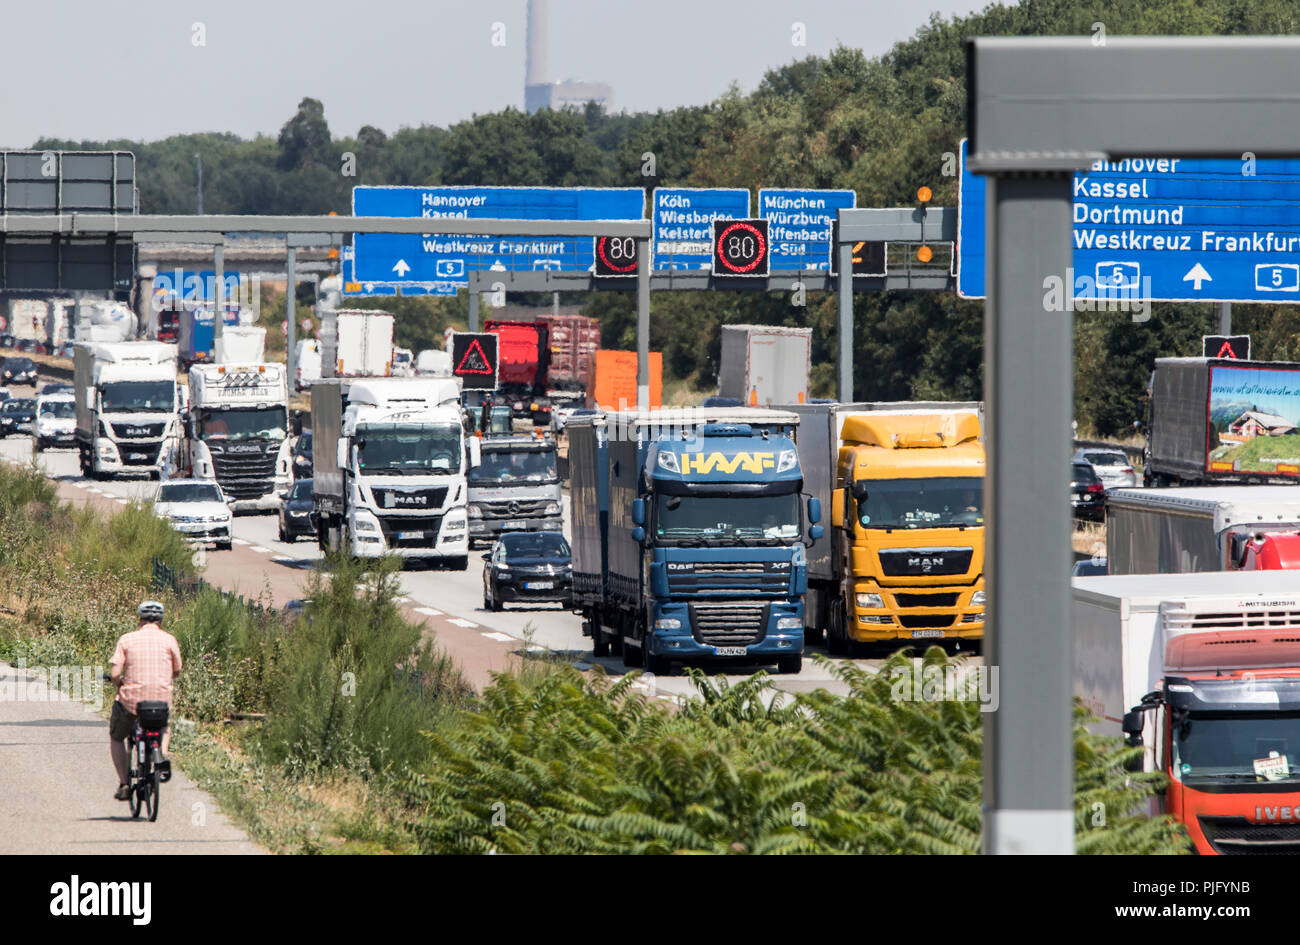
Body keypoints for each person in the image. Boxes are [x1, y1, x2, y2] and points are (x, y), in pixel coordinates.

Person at [108, 601, 182, 801]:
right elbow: (177, 671)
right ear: (161, 620)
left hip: (132, 702)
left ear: (139, 619)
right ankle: (161, 755)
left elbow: (115, 673)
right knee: (164, 724)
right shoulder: (170, 640)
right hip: (160, 702)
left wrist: (120, 682)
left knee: (117, 736)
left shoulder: (127, 639)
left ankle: (124, 783)